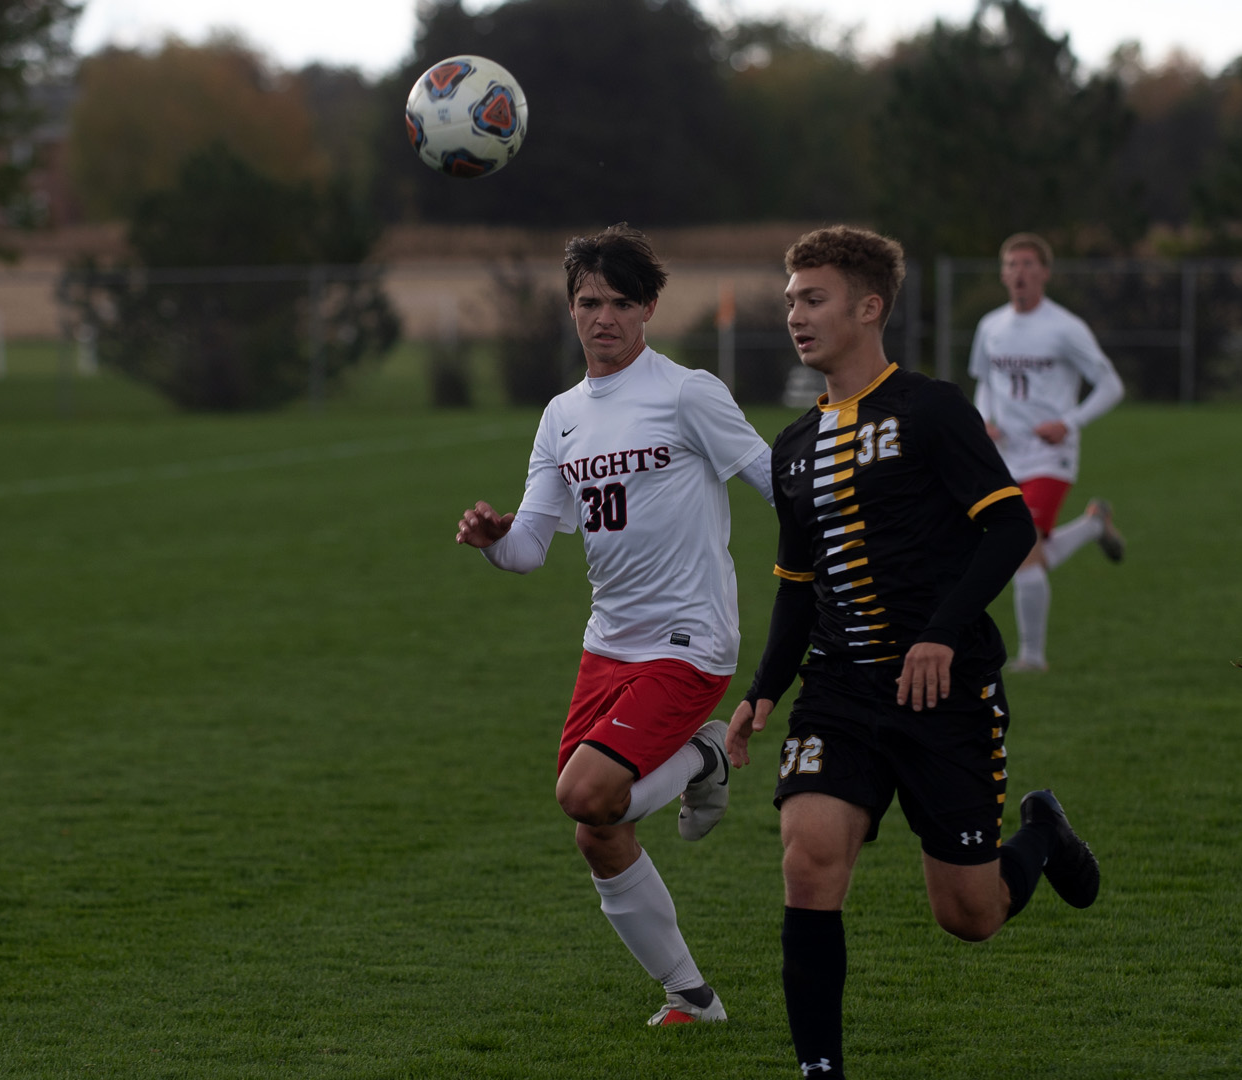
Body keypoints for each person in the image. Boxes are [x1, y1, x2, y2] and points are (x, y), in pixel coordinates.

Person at [726, 226, 1101, 1078]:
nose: (795, 314)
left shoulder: (931, 410)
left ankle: (1040, 831)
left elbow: (1008, 527)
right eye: (789, 300)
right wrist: (762, 691)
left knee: (969, 915)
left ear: (869, 307)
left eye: (812, 298)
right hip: (841, 690)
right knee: (809, 856)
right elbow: (795, 585)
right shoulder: (791, 449)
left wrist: (938, 631)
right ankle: (819, 1069)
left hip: (945, 691)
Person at [454, 224, 774, 1027]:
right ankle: (692, 997)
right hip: (609, 646)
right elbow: (530, 548)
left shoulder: (687, 392)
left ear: (649, 309)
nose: (603, 317)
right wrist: (494, 542)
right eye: (588, 301)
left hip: (690, 639)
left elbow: (777, 482)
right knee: (597, 830)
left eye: (620, 302)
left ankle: (705, 754)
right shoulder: (562, 415)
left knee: (587, 792)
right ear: (570, 310)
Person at [968, 232, 1127, 672]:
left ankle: (1033, 658)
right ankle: (1094, 525)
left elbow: (1112, 384)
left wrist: (1069, 423)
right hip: (1004, 456)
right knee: (1024, 547)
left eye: (1027, 264)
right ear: (1002, 274)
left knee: (1020, 547)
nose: (1019, 273)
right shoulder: (991, 326)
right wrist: (983, 420)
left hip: (1049, 458)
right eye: (1011, 265)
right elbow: (985, 383)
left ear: (1044, 273)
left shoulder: (1065, 327)